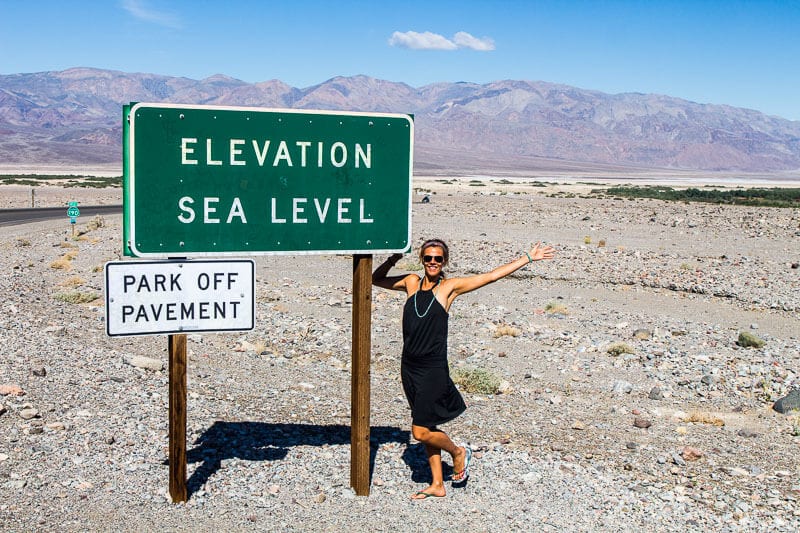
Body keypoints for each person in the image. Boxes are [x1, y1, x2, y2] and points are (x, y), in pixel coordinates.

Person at [372, 238, 556, 499]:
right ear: (422, 260)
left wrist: (527, 258)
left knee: (419, 431)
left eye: (438, 259)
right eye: (428, 258)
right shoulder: (411, 282)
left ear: (444, 261)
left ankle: (458, 452)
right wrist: (394, 257)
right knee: (428, 425)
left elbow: (491, 276)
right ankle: (438, 484)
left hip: (432, 369)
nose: (433, 262)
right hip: (409, 366)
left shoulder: (449, 288)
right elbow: (375, 279)